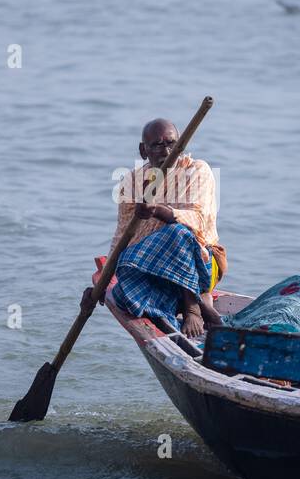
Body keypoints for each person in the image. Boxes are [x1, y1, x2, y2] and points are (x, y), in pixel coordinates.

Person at [81, 118, 225, 336]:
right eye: (157, 145)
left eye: (172, 143)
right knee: (122, 296)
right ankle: (187, 304)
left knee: (178, 232)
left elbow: (199, 223)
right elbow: (123, 235)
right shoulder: (132, 181)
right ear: (143, 150)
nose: (167, 151)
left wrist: (160, 210)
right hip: (156, 265)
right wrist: (99, 288)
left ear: (181, 145)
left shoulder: (197, 170)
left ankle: (193, 308)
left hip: (201, 263)